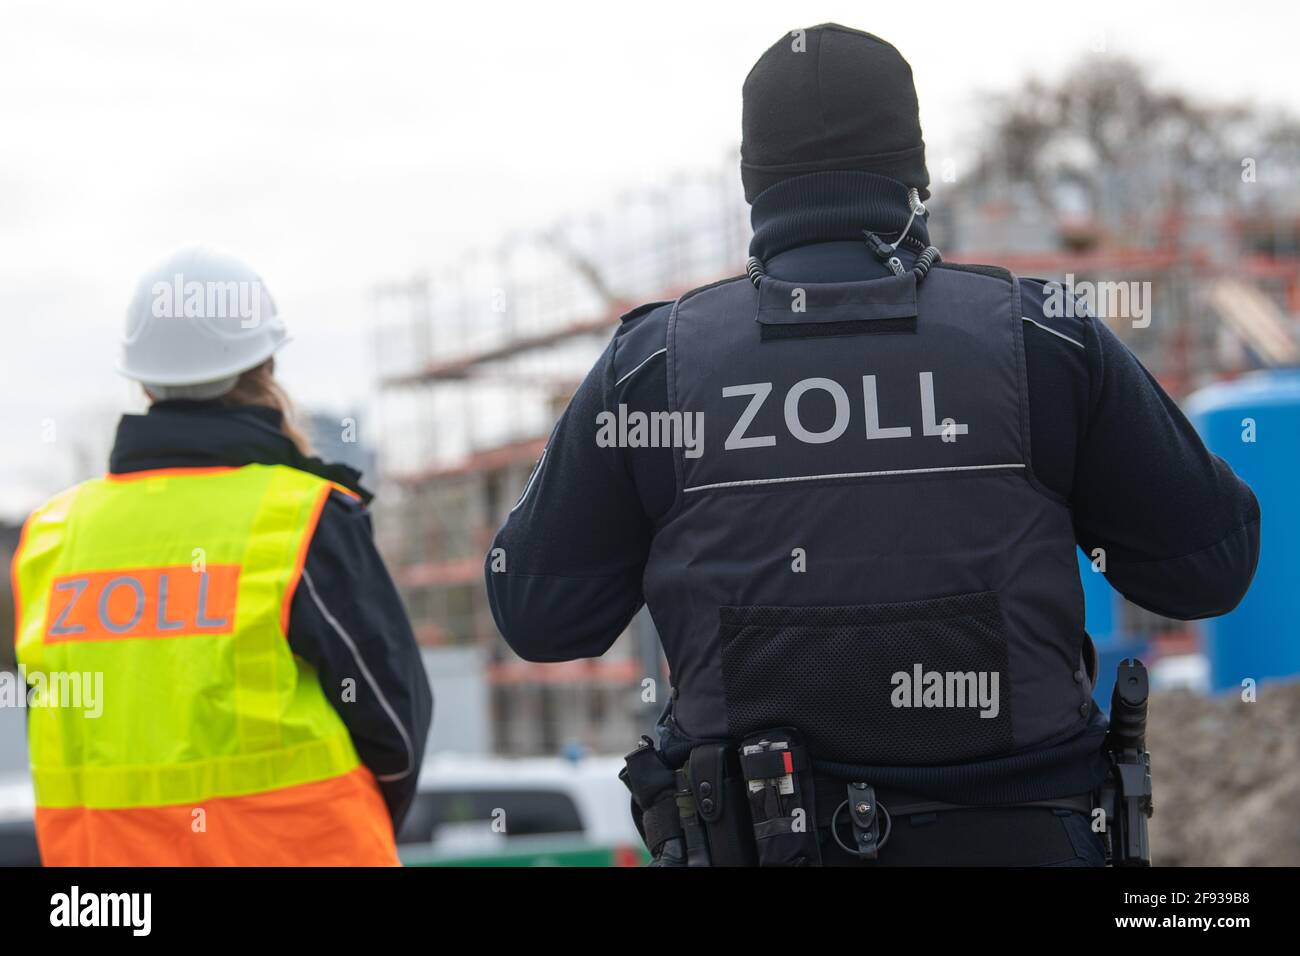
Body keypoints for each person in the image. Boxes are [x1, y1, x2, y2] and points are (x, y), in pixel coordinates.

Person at [484, 25, 1260, 865]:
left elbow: (540, 613)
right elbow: (1208, 567)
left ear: (754, 183)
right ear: (915, 170)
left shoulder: (655, 366)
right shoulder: (1044, 341)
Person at [12, 244, 431, 865]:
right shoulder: (304, 516)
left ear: (140, 376)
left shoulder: (52, 535)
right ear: (263, 364)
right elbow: (394, 727)